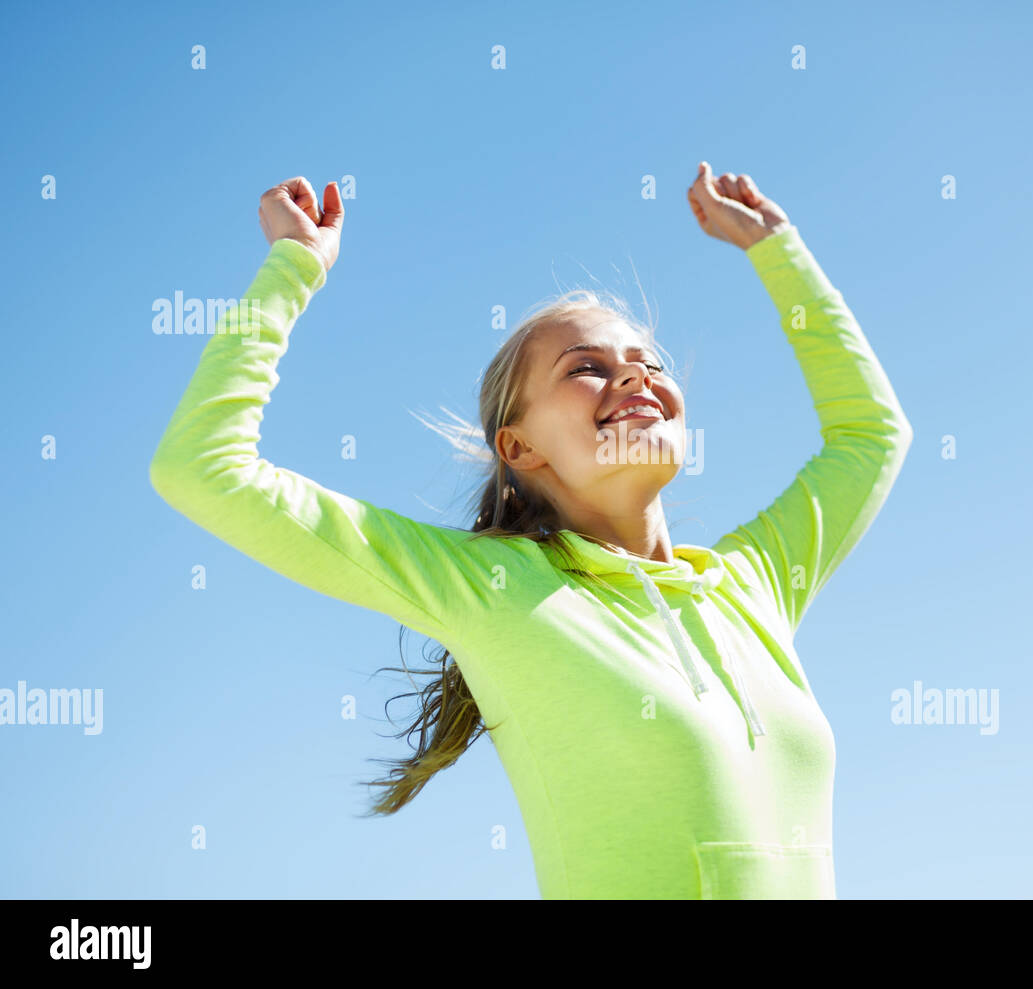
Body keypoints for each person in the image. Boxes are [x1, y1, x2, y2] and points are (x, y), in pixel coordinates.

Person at [149, 162, 914, 899]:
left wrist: (776, 250)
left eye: (649, 361)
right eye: (586, 367)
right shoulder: (495, 588)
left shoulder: (753, 583)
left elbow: (872, 436)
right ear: (519, 448)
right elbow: (201, 466)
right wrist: (293, 265)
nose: (635, 377)